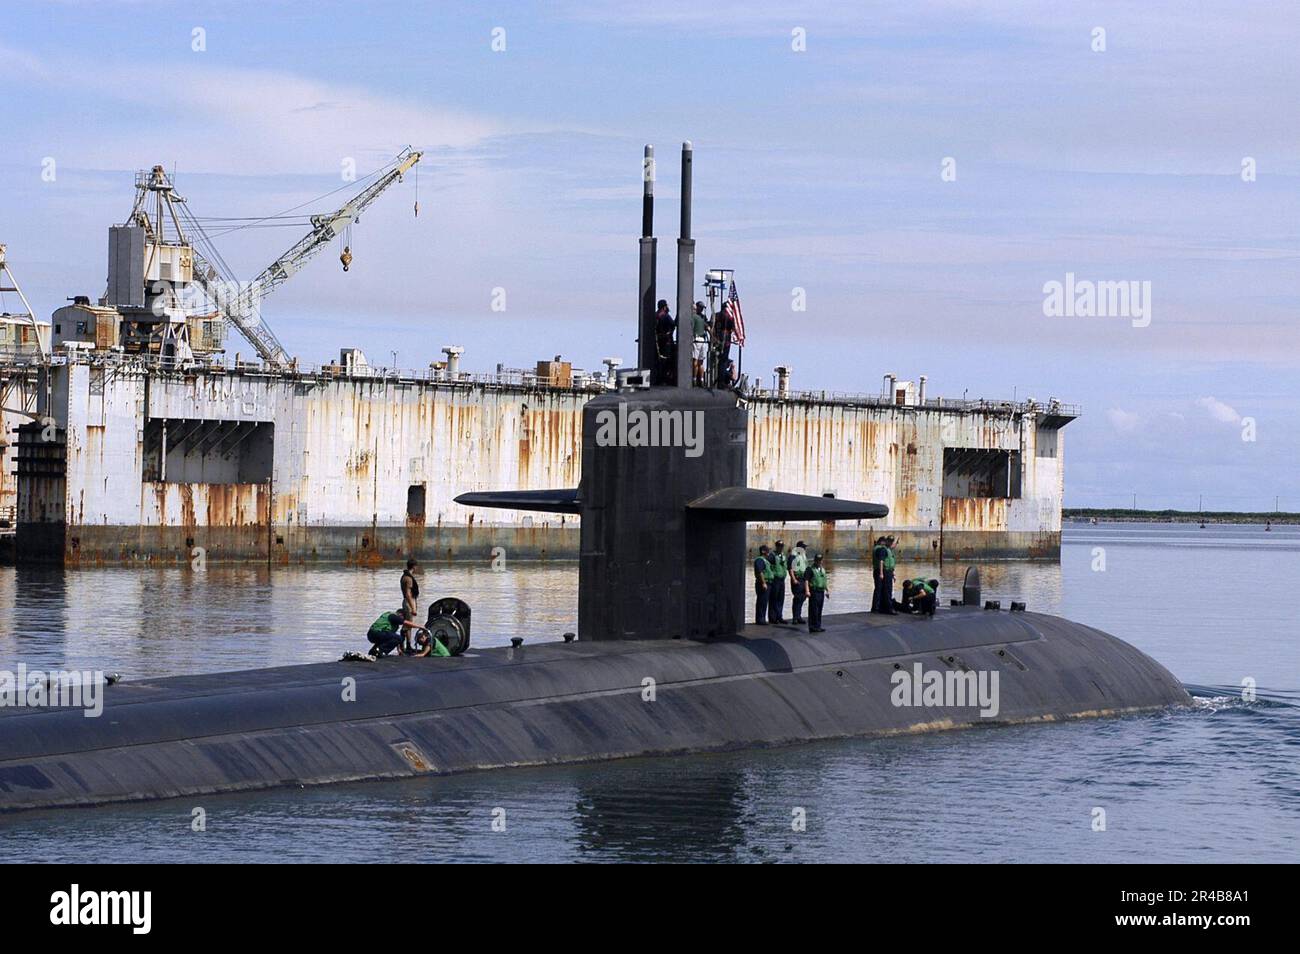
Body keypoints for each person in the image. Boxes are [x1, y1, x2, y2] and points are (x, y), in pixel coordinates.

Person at [654, 300, 676, 386]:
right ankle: (664, 379)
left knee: (658, 361)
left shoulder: (655, 315)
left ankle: (658, 378)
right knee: (667, 360)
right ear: (664, 307)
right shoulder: (666, 316)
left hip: (657, 341)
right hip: (666, 342)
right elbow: (673, 325)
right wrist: (669, 333)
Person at [806, 553, 830, 633]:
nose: (819, 562)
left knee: (819, 609)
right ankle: (812, 626)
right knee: (813, 610)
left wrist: (827, 591)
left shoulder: (822, 569)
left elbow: (824, 581)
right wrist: (807, 591)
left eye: (820, 560)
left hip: (821, 591)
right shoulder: (810, 569)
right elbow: (806, 580)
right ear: (815, 560)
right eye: (817, 560)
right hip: (814, 591)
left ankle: (818, 626)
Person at [767, 540, 788, 623]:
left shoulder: (783, 556)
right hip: (775, 579)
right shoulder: (772, 556)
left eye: (782, 546)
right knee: (773, 599)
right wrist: (772, 575)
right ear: (776, 546)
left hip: (782, 579)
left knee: (780, 599)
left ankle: (779, 616)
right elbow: (768, 567)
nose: (781, 548)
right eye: (779, 546)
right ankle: (773, 618)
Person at [789, 541, 809, 624]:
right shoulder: (793, 556)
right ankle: (795, 618)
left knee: (802, 598)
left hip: (803, 579)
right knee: (797, 598)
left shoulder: (803, 555)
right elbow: (790, 568)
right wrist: (793, 579)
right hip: (797, 578)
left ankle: (798, 616)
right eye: (803, 547)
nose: (805, 549)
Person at [691, 301, 709, 387]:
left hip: (697, 340)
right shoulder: (701, 318)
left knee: (696, 360)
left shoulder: (694, 317)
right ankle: (700, 380)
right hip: (702, 340)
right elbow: (708, 328)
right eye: (700, 308)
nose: (701, 309)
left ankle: (695, 379)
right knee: (700, 361)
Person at [753, 544, 773, 624]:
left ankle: (762, 618)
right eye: (767, 550)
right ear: (763, 551)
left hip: (768, 583)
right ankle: (760, 619)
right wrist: (763, 583)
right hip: (763, 583)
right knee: (761, 601)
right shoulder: (759, 560)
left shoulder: (765, 560)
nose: (769, 551)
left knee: (764, 602)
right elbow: (760, 572)